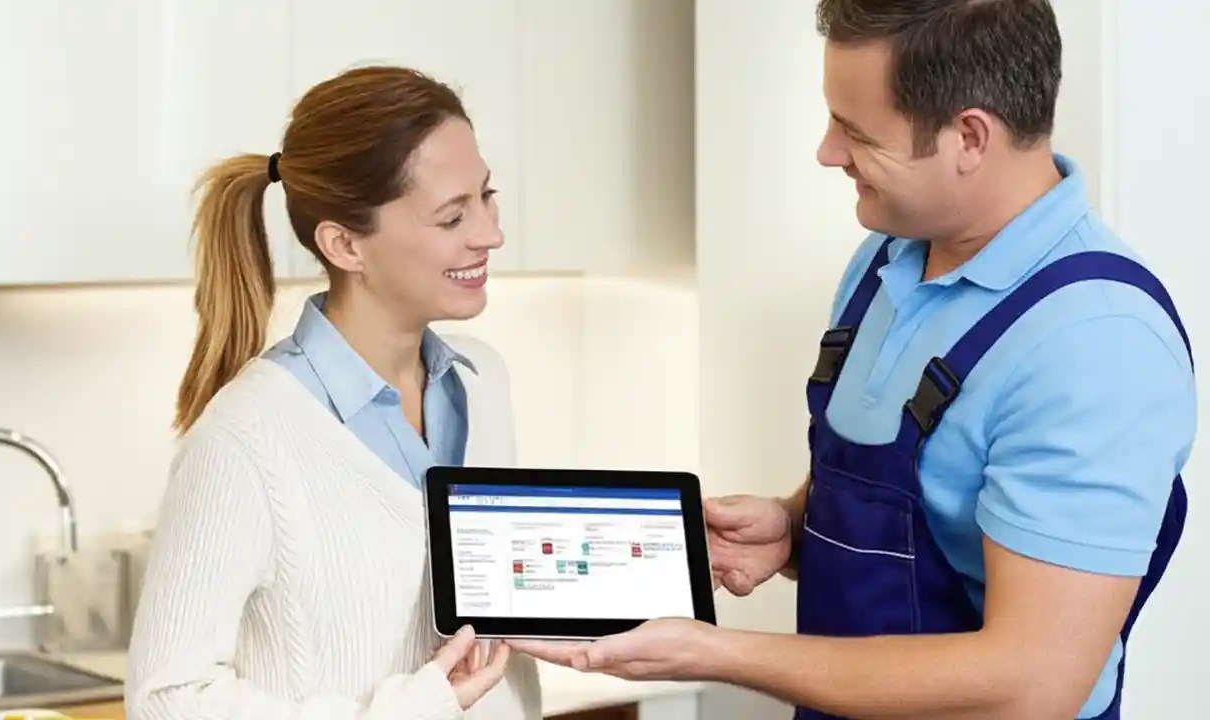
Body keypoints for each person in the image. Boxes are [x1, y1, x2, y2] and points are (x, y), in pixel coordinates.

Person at [511, 2, 1196, 719]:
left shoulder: (1096, 344)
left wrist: (715, 651)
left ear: (969, 136)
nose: (827, 152)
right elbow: (919, 493)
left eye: (856, 131)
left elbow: (1030, 686)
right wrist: (794, 525)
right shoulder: (887, 260)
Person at [126, 65, 541, 720]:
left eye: (487, 197)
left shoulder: (483, 383)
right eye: (452, 215)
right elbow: (167, 699)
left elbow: (478, 609)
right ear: (345, 243)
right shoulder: (246, 438)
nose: (490, 233)